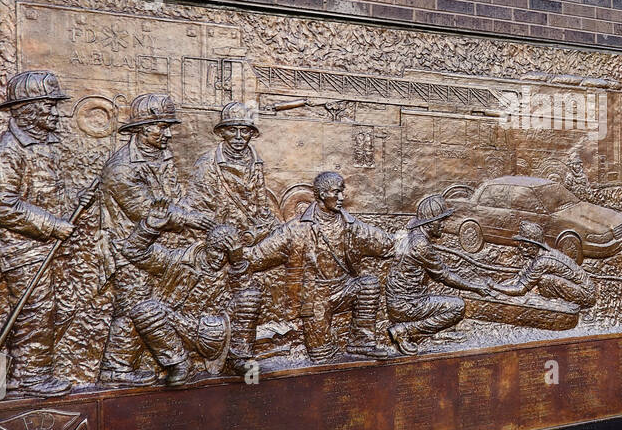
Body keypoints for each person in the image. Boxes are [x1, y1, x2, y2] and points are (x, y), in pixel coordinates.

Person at [0, 70, 93, 396]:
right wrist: (53, 224)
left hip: (47, 247)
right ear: (27, 110)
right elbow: (0, 205)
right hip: (18, 249)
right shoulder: (3, 151)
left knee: (56, 308)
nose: (56, 113)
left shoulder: (46, 147)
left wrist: (74, 203)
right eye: (49, 107)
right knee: (37, 309)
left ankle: (18, 371)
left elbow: (47, 193)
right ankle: (29, 377)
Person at [97, 94, 215, 387]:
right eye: (161, 127)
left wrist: (194, 212)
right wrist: (191, 219)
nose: (168, 133)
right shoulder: (121, 168)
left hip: (158, 245)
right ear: (141, 128)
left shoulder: (162, 154)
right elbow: (147, 210)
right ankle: (175, 361)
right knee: (140, 306)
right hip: (130, 248)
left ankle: (118, 368)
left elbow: (174, 197)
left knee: (132, 309)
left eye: (168, 126)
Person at [246, 171, 396, 360]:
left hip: (343, 289)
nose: (341, 197)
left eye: (342, 191)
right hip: (314, 298)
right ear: (322, 194)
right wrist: (235, 252)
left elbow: (381, 241)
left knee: (369, 284)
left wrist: (406, 238)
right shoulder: (297, 228)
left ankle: (361, 343)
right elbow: (259, 255)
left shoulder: (350, 224)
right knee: (321, 356)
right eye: (336, 192)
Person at [185, 102, 276, 374]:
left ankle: (241, 352)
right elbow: (194, 211)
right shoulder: (208, 165)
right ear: (222, 133)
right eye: (233, 131)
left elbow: (263, 210)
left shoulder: (255, 161)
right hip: (215, 241)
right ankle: (212, 349)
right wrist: (222, 237)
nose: (239, 137)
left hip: (247, 242)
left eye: (244, 131)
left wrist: (253, 234)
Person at [385, 194, 491, 356]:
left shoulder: (412, 237)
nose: (443, 225)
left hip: (398, 303)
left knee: (447, 300)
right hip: (407, 306)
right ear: (428, 224)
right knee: (457, 307)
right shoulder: (421, 244)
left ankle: (435, 331)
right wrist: (476, 287)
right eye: (440, 221)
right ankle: (405, 330)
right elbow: (444, 276)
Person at [492, 221, 596, 308]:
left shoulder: (542, 261)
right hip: (579, 290)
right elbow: (518, 279)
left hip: (585, 295)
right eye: (521, 245)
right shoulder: (535, 257)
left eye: (525, 246)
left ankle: (555, 306)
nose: (521, 248)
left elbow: (520, 289)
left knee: (545, 280)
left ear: (534, 246)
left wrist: (493, 286)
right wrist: (495, 286)